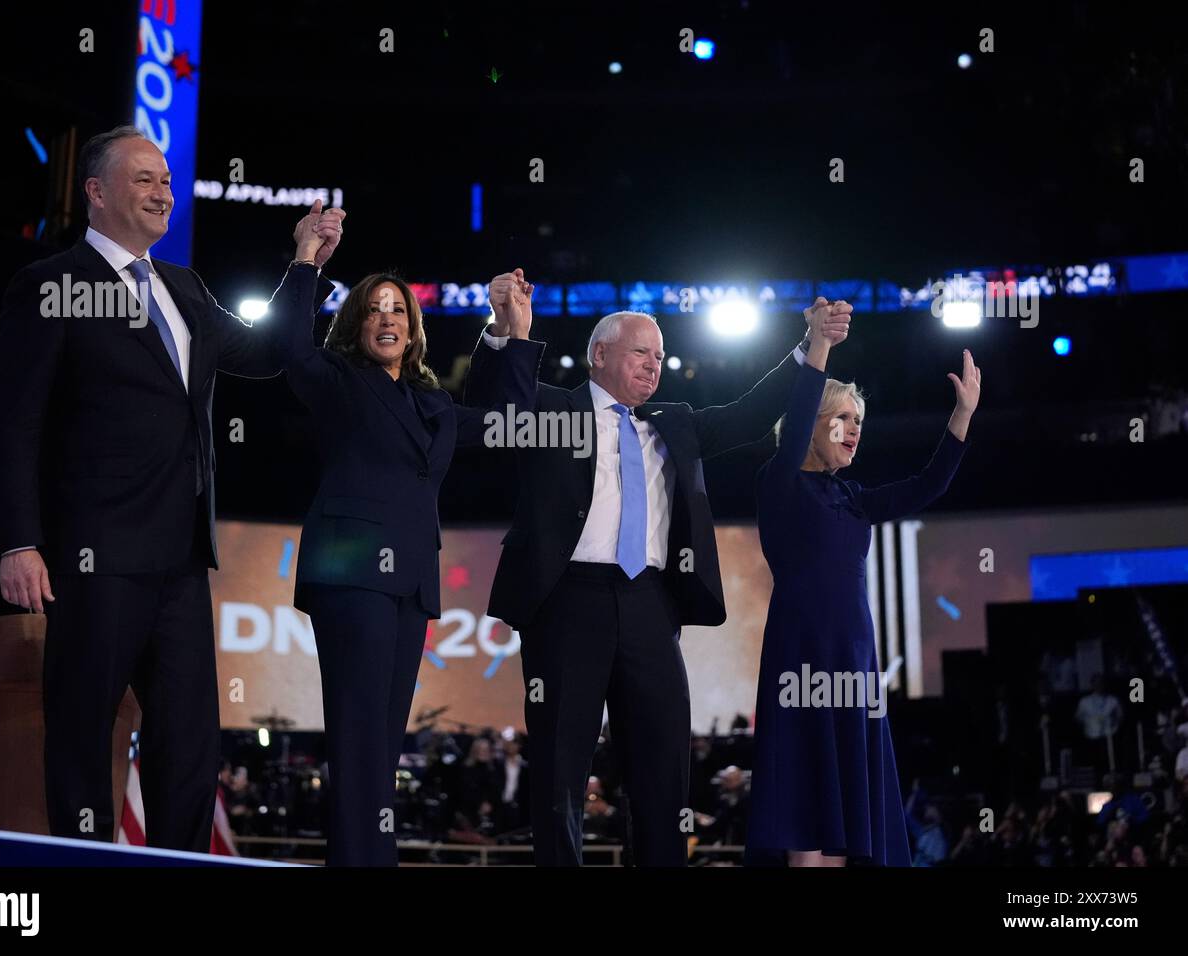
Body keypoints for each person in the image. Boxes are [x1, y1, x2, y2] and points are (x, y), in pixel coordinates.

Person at [0, 125, 335, 850]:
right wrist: (19, 539)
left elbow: (270, 355)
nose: (162, 192)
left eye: (167, 180)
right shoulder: (51, 285)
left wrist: (304, 262)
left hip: (179, 559)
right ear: (96, 192)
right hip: (95, 555)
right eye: (143, 179)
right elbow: (13, 423)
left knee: (190, 745)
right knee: (82, 736)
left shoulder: (182, 286)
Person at [463, 287, 848, 865]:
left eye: (660, 357)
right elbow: (494, 401)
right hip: (568, 600)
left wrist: (811, 345)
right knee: (560, 767)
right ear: (599, 356)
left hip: (650, 604)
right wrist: (508, 330)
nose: (654, 365)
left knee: (663, 767)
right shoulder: (551, 410)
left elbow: (749, 412)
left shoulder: (676, 423)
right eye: (641, 352)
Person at [277, 209, 544, 865]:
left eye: (398, 309)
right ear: (357, 325)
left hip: (411, 581)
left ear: (413, 328)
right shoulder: (338, 382)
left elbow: (509, 423)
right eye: (375, 310)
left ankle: (374, 857)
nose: (388, 318)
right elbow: (287, 351)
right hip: (351, 574)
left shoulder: (430, 403)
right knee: (359, 729)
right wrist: (307, 259)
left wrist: (509, 331)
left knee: (385, 736)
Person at [745, 309, 979, 866]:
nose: (855, 430)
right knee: (805, 787)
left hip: (855, 659)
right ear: (813, 422)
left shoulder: (853, 497)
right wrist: (820, 348)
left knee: (850, 809)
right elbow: (796, 420)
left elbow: (928, 486)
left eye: (860, 422)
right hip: (801, 656)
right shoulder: (780, 484)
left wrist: (962, 417)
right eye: (843, 418)